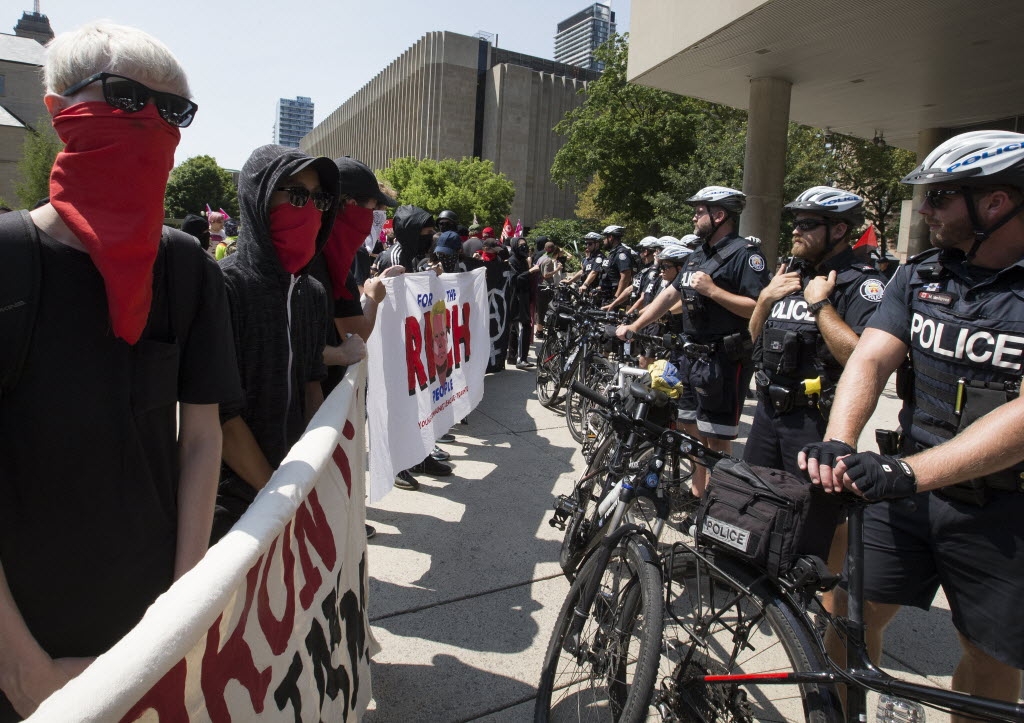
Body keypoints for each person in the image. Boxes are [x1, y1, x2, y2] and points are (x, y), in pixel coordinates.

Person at [0, 22, 240, 720]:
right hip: (21, 643)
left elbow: (201, 439)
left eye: (173, 112)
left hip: (149, 631)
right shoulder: (9, 256)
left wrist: (180, 611)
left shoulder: (187, 267)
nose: (153, 125)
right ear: (57, 111)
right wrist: (20, 663)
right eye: (128, 98)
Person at [800, 130, 1024, 710]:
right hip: (904, 491)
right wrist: (837, 441)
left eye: (939, 198)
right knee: (848, 614)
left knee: (987, 657)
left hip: (1002, 510)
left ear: (995, 203)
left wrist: (908, 473)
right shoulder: (921, 273)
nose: (923, 211)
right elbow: (871, 356)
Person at [744, 186, 884, 612]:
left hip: (815, 420)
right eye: (795, 223)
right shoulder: (790, 275)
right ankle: (766, 578)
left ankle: (828, 601)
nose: (795, 231)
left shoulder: (862, 285)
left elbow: (863, 359)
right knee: (755, 499)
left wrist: (822, 305)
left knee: (822, 518)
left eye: (806, 224)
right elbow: (755, 338)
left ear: (839, 229)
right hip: (770, 414)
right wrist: (766, 298)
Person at [213, 145, 359, 542]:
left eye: (320, 198)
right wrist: (274, 499)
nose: (310, 208)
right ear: (258, 198)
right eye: (296, 194)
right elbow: (220, 416)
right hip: (234, 501)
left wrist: (314, 478)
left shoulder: (311, 292)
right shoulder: (224, 287)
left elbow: (313, 387)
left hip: (293, 489)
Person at [617, 186, 770, 498]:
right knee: (690, 429)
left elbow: (760, 308)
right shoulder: (698, 255)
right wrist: (635, 324)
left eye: (699, 211)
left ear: (719, 214)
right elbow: (671, 294)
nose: (693, 216)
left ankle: (716, 503)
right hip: (690, 358)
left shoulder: (745, 256)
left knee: (717, 439)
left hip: (723, 361)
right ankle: (699, 492)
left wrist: (713, 291)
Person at [508, 237, 541, 369]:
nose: (524, 247)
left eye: (525, 245)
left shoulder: (522, 260)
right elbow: (515, 280)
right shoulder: (512, 261)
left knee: (517, 329)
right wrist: (530, 271)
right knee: (523, 327)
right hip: (517, 298)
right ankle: (521, 359)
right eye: (521, 245)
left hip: (524, 297)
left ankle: (513, 356)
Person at [597, 224, 634, 308]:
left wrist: (616, 298)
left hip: (614, 298)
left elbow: (625, 277)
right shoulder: (612, 254)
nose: (603, 240)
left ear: (611, 237)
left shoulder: (621, 254)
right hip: (607, 296)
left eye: (605, 237)